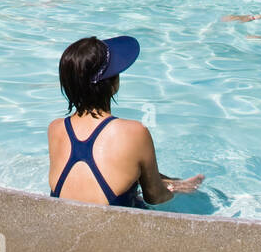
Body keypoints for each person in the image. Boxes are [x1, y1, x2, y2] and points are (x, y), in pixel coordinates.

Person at [48, 36, 204, 207]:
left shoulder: (56, 128)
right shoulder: (135, 132)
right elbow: (155, 197)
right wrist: (180, 189)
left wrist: (170, 181)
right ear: (113, 84)